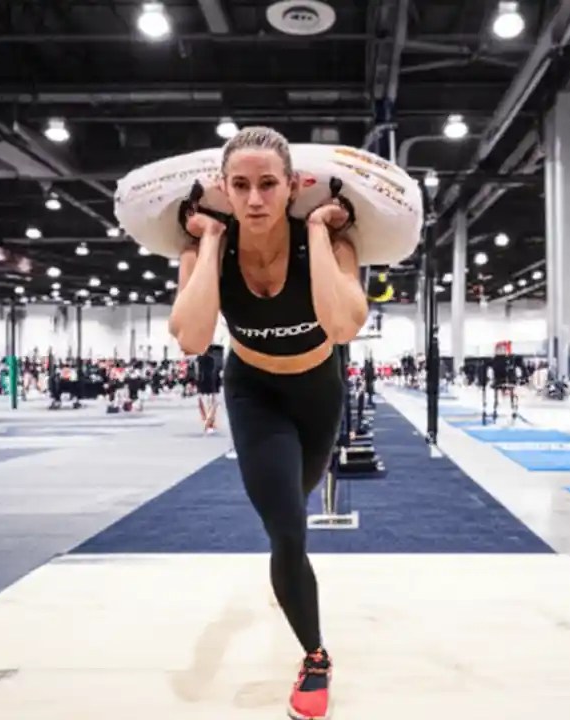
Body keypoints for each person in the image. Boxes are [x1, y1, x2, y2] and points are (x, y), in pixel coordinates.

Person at [167, 126, 368, 720]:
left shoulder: (331, 243)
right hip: (253, 392)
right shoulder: (205, 252)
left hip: (317, 392)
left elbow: (342, 328)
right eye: (241, 186)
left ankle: (288, 579)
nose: (254, 199)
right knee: (287, 527)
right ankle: (316, 657)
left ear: (293, 186)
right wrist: (207, 243)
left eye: (267, 184)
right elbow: (194, 338)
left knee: (293, 508)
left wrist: (314, 230)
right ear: (224, 191)